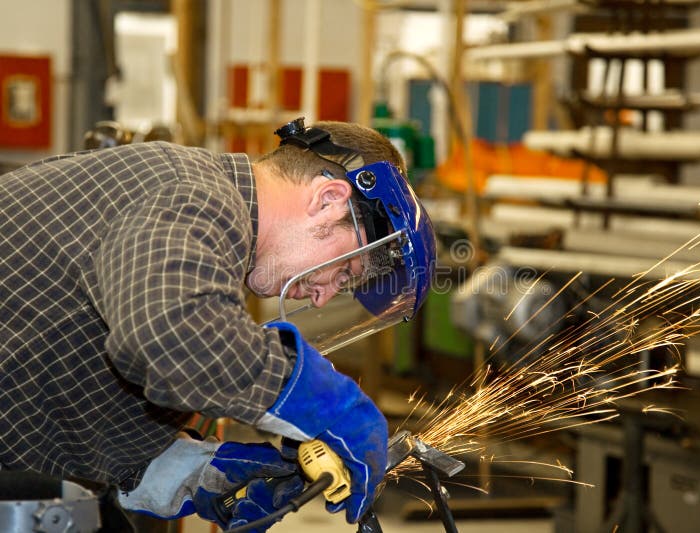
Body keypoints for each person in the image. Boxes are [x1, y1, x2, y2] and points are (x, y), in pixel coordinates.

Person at [0, 118, 436, 531]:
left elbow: (70, 377)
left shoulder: (206, 226)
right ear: (327, 200)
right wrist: (323, 400)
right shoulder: (195, 194)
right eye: (345, 272)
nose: (324, 296)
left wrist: (182, 469)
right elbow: (166, 338)